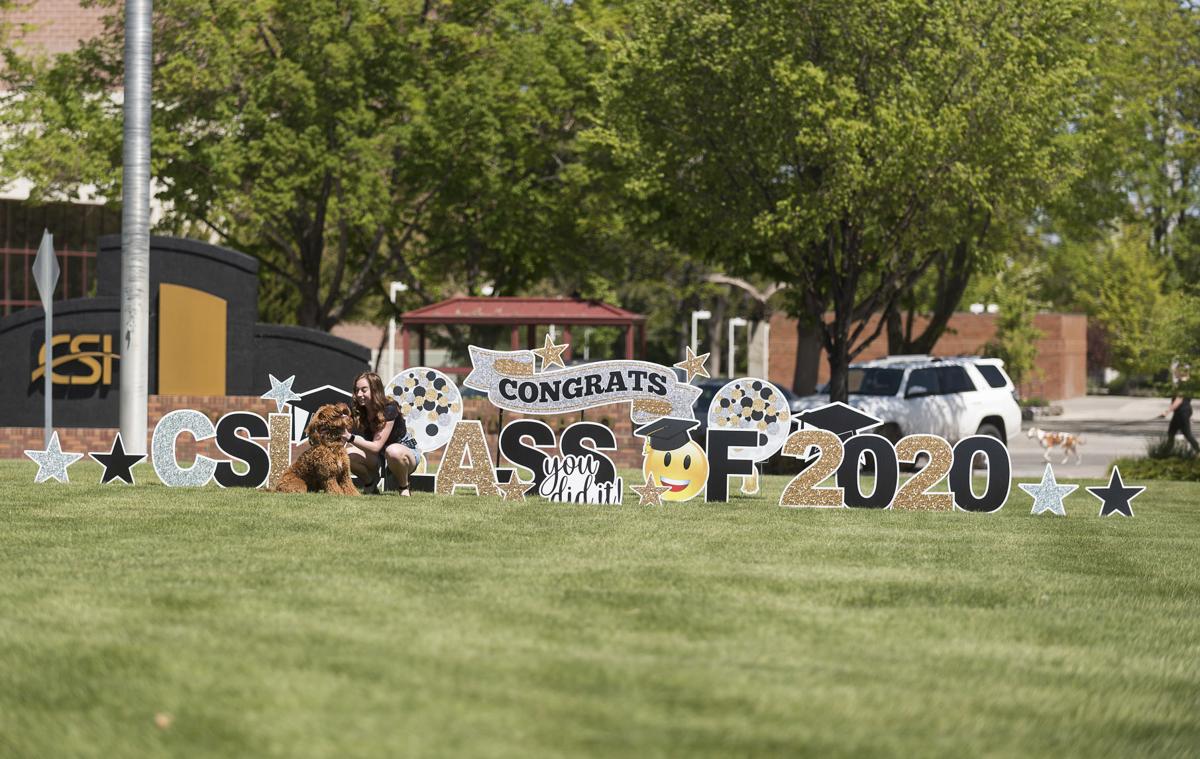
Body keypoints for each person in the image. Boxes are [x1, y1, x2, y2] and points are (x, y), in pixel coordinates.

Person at [345, 371, 419, 495]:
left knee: (392, 451)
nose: (359, 394)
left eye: (364, 390)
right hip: (379, 456)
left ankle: (404, 487)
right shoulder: (358, 410)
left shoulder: (389, 408)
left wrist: (349, 437)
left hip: (403, 453)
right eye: (357, 390)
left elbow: (376, 446)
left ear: (375, 390)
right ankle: (370, 484)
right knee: (348, 454)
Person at [1160, 369, 1199, 454]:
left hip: (1182, 412)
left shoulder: (1183, 384)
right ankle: (1166, 452)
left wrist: (1167, 411)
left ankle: (1198, 451)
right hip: (1180, 412)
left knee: (1187, 434)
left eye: (1176, 372)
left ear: (1182, 373)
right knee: (1171, 432)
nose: (1175, 373)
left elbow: (1179, 400)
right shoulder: (1187, 383)